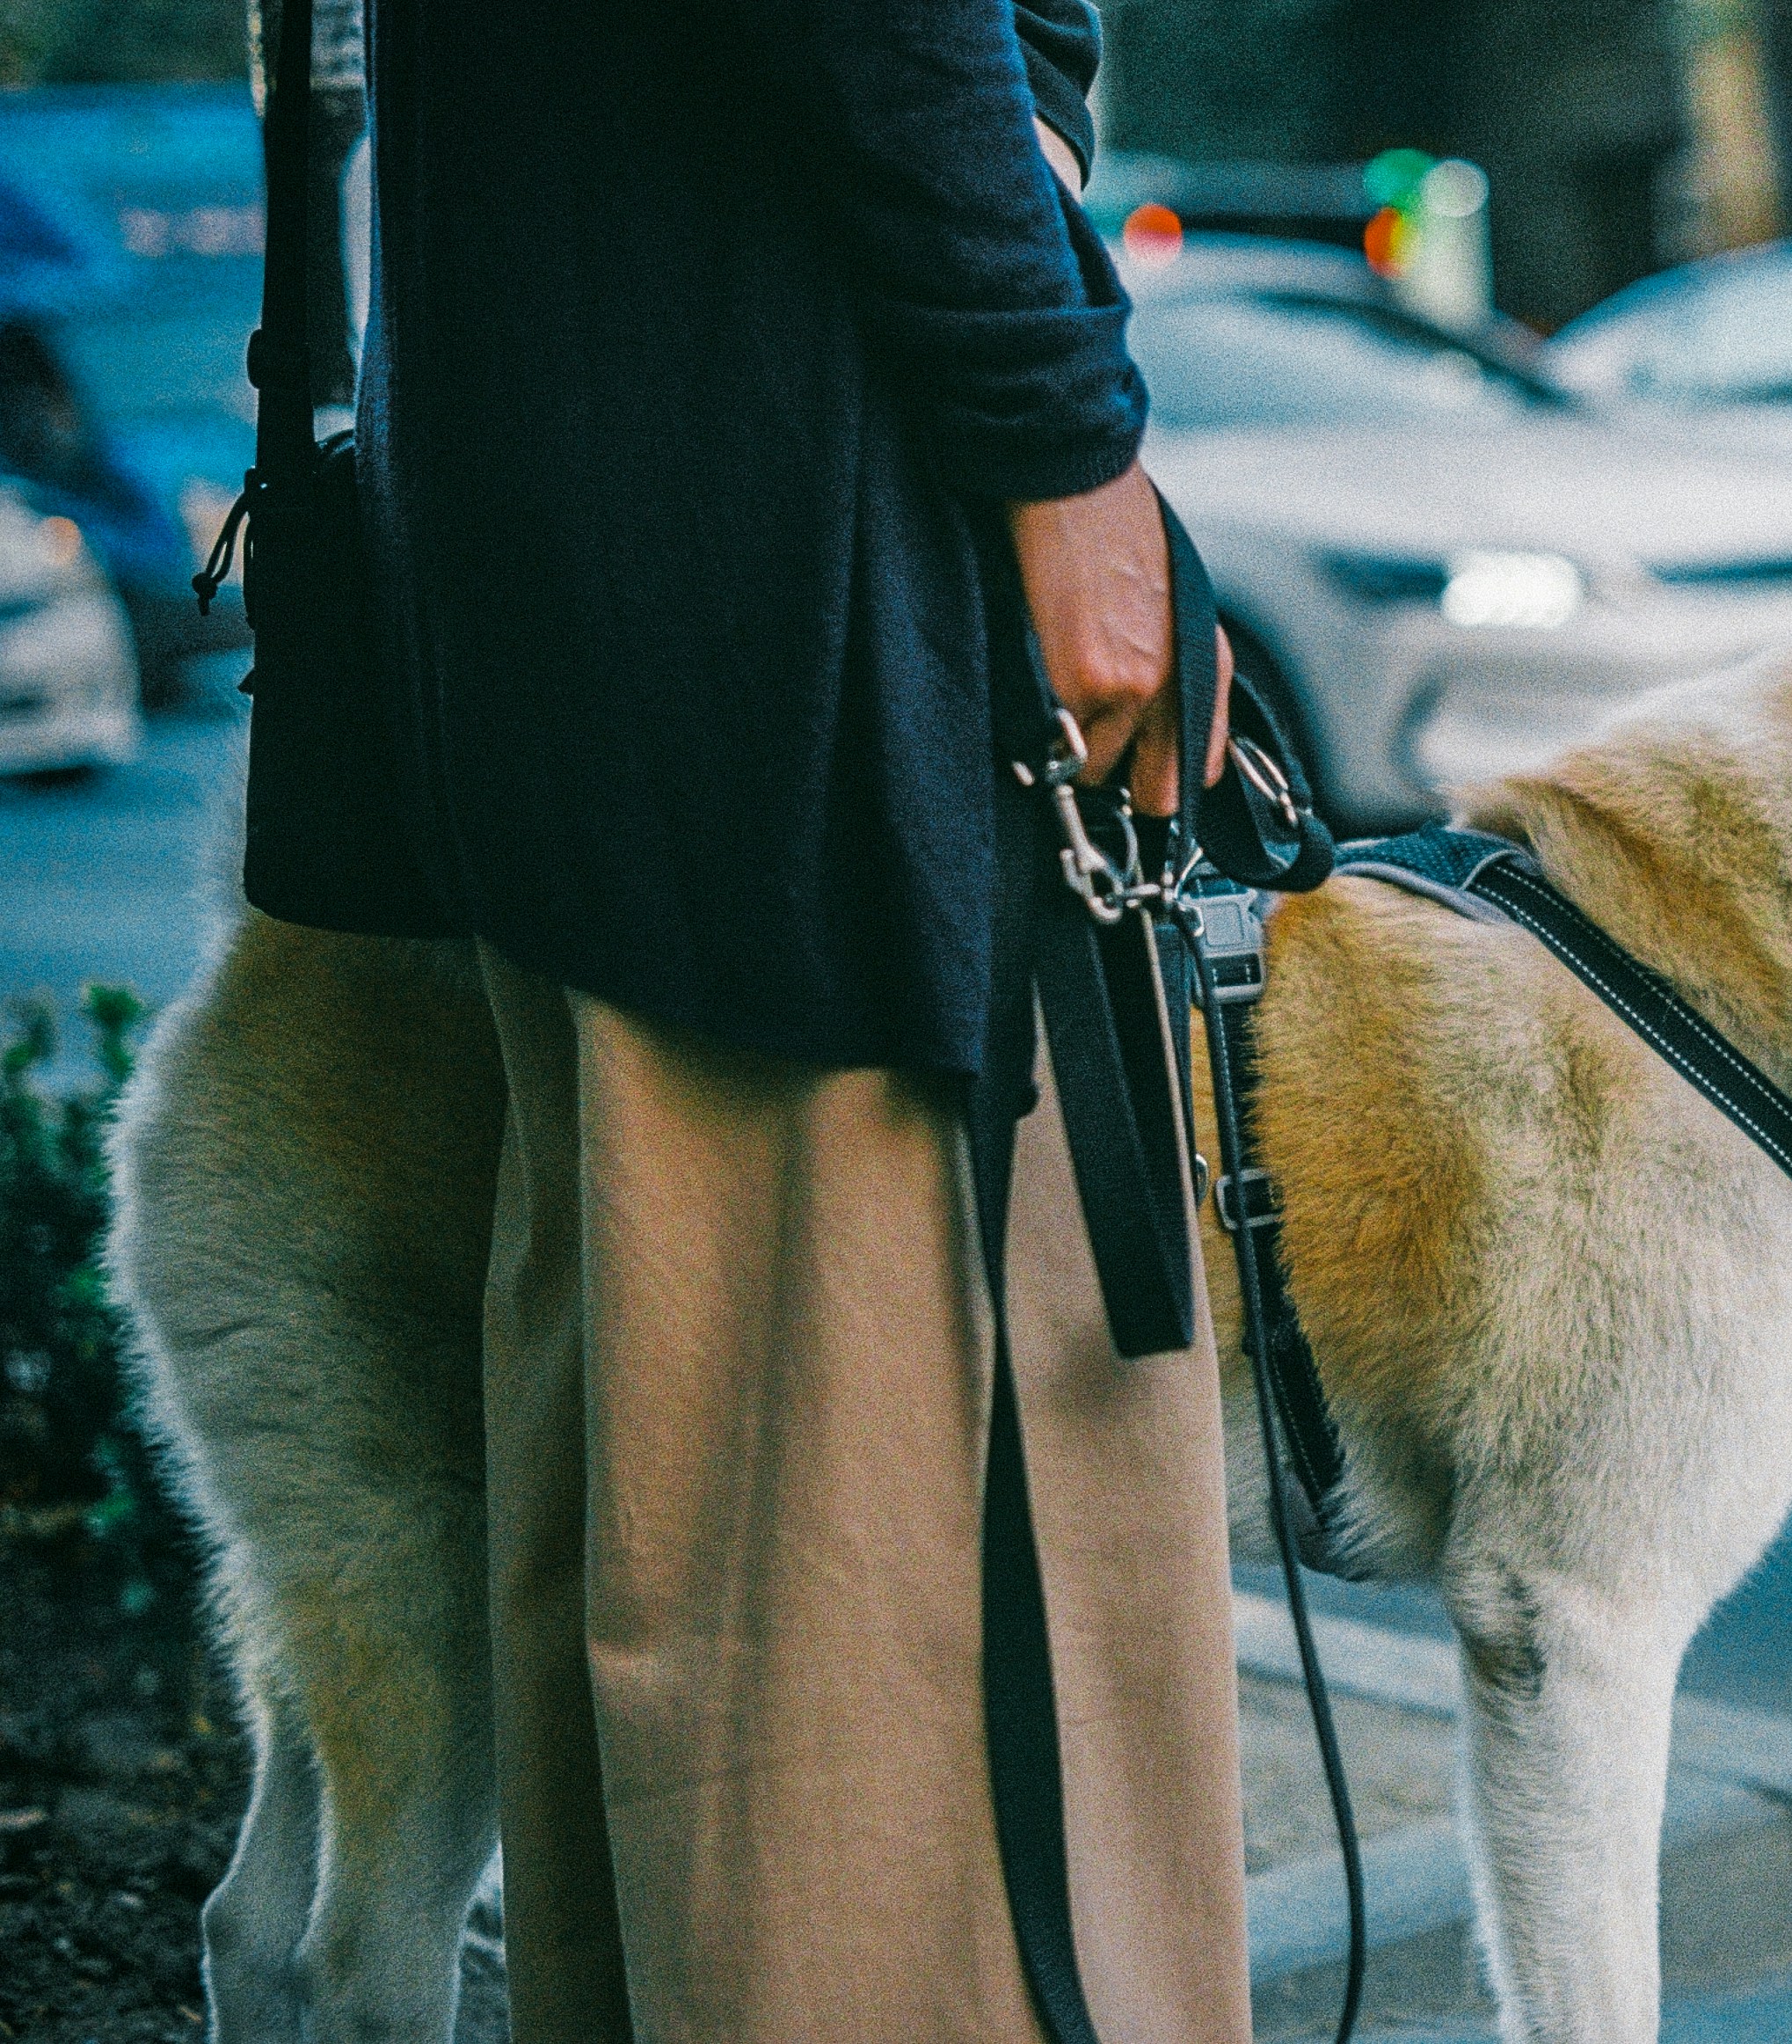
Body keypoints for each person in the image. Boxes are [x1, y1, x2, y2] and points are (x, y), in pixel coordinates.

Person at [348, 0, 1250, 2035]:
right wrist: (1064, 438)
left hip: (597, 555)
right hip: (791, 600)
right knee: (871, 1603)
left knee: (676, 1525)